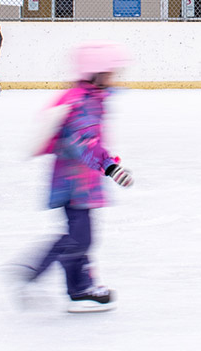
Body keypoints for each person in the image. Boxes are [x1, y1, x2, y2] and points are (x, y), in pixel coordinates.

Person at [14, 42, 135, 313]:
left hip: (79, 181)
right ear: (95, 74)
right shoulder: (83, 102)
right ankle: (34, 271)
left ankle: (79, 289)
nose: (114, 78)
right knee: (80, 239)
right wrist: (111, 168)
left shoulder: (89, 97)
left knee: (80, 237)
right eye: (110, 73)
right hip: (74, 183)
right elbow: (85, 144)